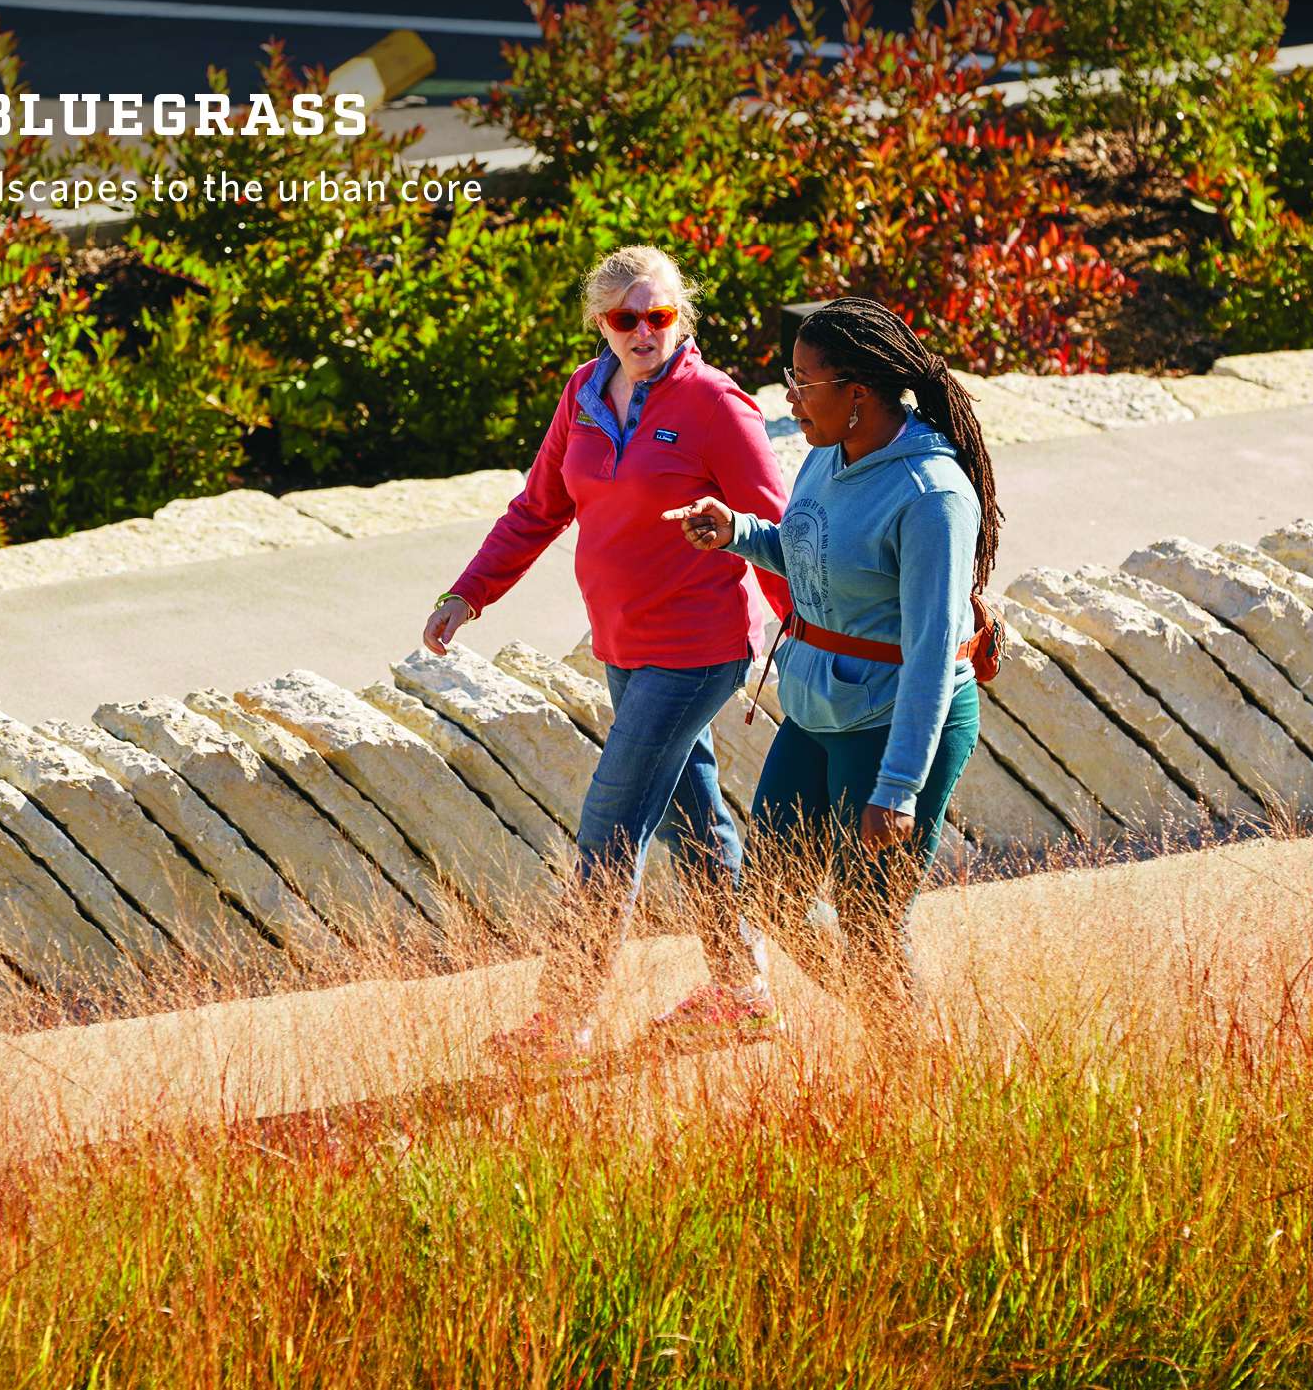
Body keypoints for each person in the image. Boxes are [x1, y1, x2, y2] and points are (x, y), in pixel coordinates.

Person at [422, 245, 792, 1066]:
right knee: (695, 820)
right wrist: (467, 593)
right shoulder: (584, 398)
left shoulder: (715, 405)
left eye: (658, 315)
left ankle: (563, 1018)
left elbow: (776, 528)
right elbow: (538, 508)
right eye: (625, 318)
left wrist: (805, 637)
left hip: (698, 648)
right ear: (600, 323)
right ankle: (744, 992)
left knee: (610, 826)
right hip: (623, 644)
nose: (643, 331)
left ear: (680, 315)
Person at [665, 296, 1002, 1042]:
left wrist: (897, 786)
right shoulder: (827, 452)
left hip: (897, 725)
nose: (789, 394)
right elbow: (811, 550)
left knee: (871, 919)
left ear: (858, 393)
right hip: (819, 712)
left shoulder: (932, 496)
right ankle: (900, 1030)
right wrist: (739, 533)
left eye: (805, 380)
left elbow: (927, 654)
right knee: (776, 895)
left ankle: (915, 1071)